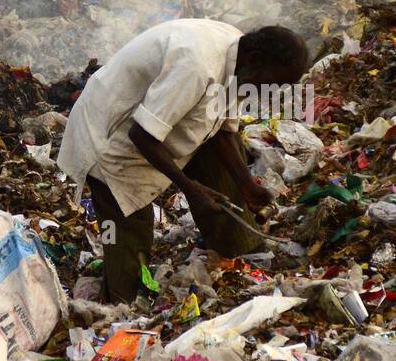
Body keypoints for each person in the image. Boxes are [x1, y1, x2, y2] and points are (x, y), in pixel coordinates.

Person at [58, 20, 310, 302]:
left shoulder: (240, 59)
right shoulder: (197, 66)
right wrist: (190, 188)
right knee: (127, 237)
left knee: (224, 169)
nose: (271, 92)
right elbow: (142, 135)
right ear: (256, 60)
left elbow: (224, 131)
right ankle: (122, 305)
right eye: (273, 83)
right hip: (110, 136)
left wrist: (246, 182)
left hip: (164, 126)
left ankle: (240, 254)